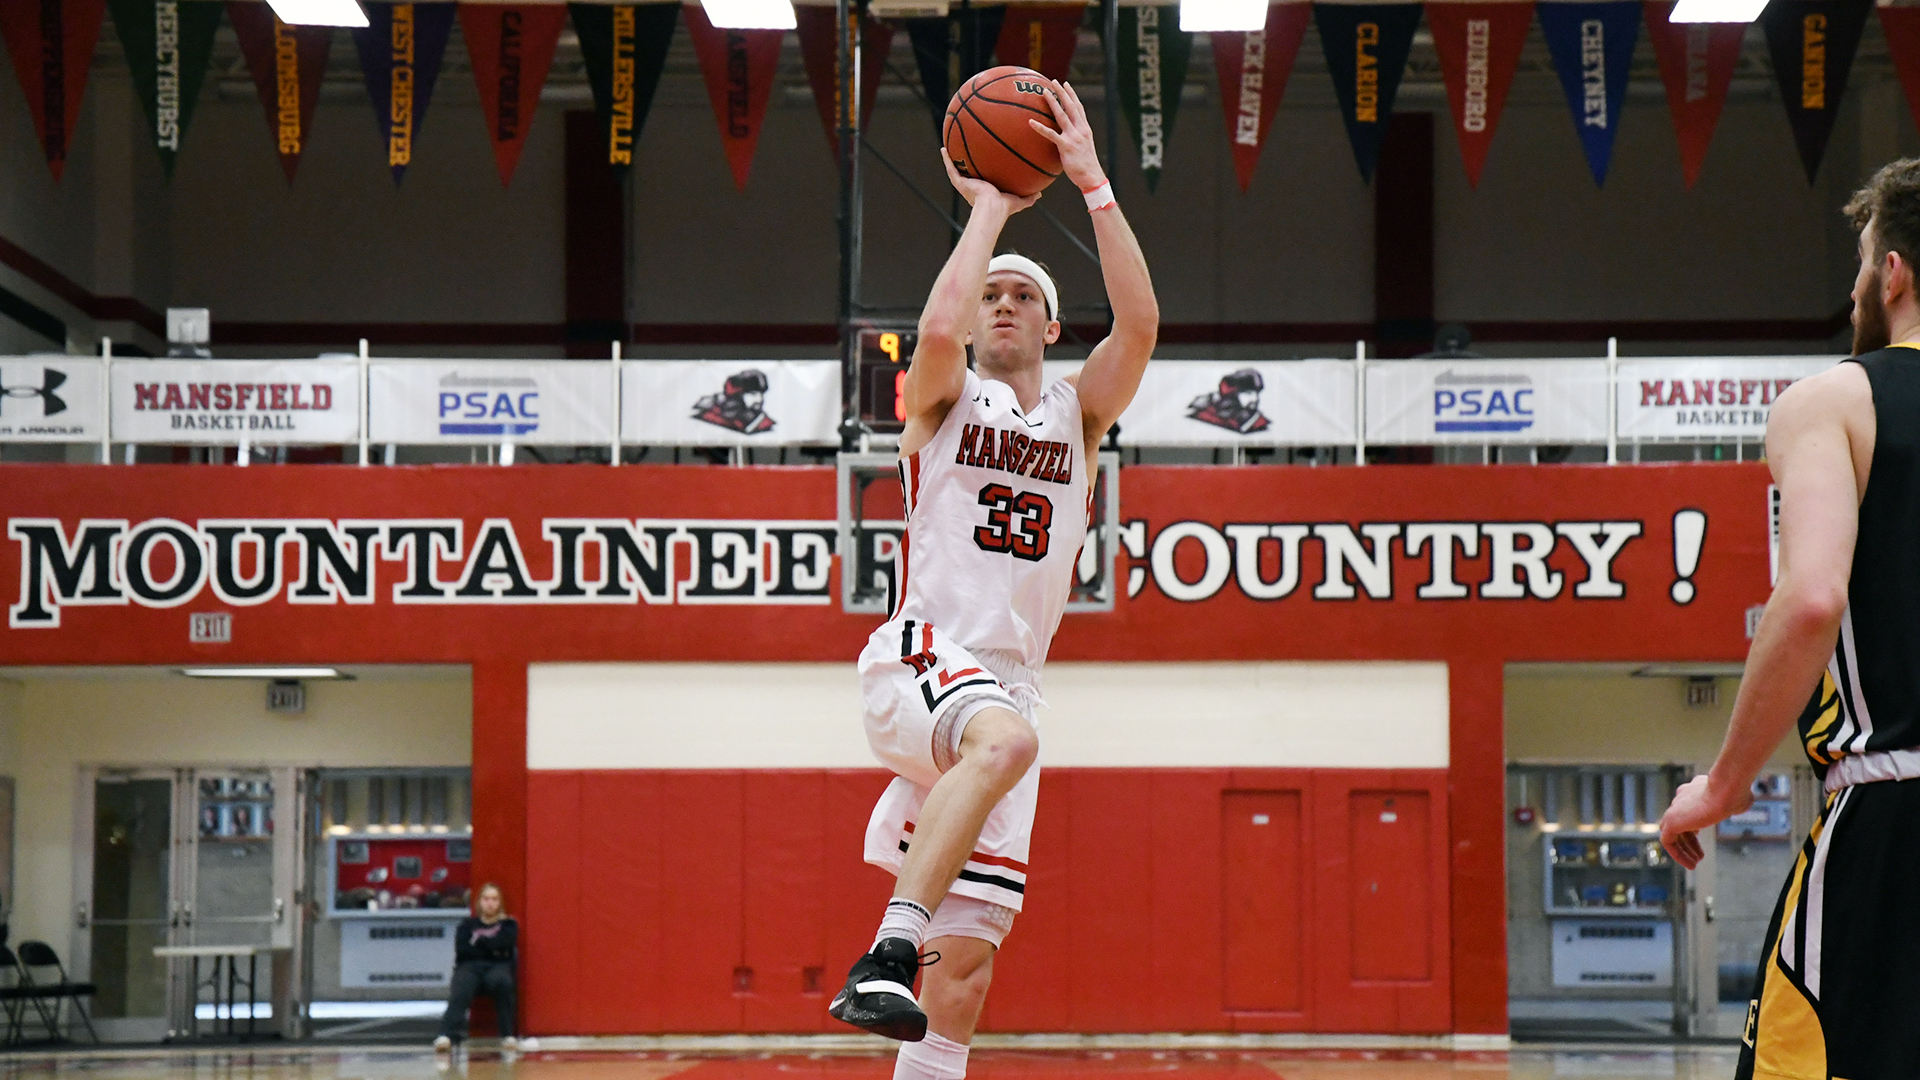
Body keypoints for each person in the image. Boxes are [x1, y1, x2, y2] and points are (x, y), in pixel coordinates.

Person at [827, 76, 1158, 1080]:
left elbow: (1138, 329)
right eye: (993, 297)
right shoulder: (943, 401)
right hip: (926, 656)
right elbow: (933, 334)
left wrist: (1095, 183)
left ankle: (907, 972)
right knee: (1007, 740)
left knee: (965, 973)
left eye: (1024, 296)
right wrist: (987, 208)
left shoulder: (1077, 420)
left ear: (1051, 328)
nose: (1004, 306)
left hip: (1007, 691)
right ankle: (886, 946)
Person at [1658, 157, 1920, 1080]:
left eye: (1859, 263)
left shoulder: (1835, 400)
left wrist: (1724, 785)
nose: (1855, 286)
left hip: (1894, 822)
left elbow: (1812, 597)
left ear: (1892, 273)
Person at [434, 882, 533, 1052]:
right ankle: (446, 1036)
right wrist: (492, 947)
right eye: (486, 899)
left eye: (494, 899)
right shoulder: (466, 926)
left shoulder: (509, 925)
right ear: (479, 902)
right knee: (462, 986)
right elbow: (463, 951)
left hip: (497, 967)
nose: (490, 903)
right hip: (470, 967)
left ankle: (507, 1035)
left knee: (503, 982)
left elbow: (505, 946)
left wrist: (480, 945)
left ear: (500, 902)